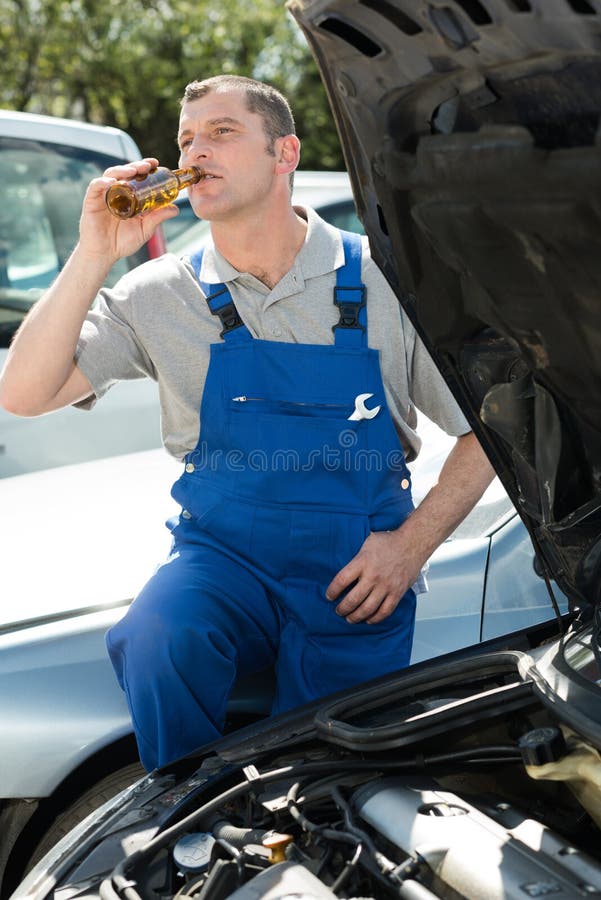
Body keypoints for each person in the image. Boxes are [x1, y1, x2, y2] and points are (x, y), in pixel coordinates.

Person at [0, 75, 494, 771]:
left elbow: (490, 429)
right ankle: (185, 816)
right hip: (223, 558)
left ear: (284, 153)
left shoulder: (385, 279)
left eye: (221, 132)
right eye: (185, 139)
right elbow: (22, 394)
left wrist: (410, 547)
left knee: (337, 776)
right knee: (157, 635)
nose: (195, 151)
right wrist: (93, 253)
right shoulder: (157, 294)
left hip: (353, 571)